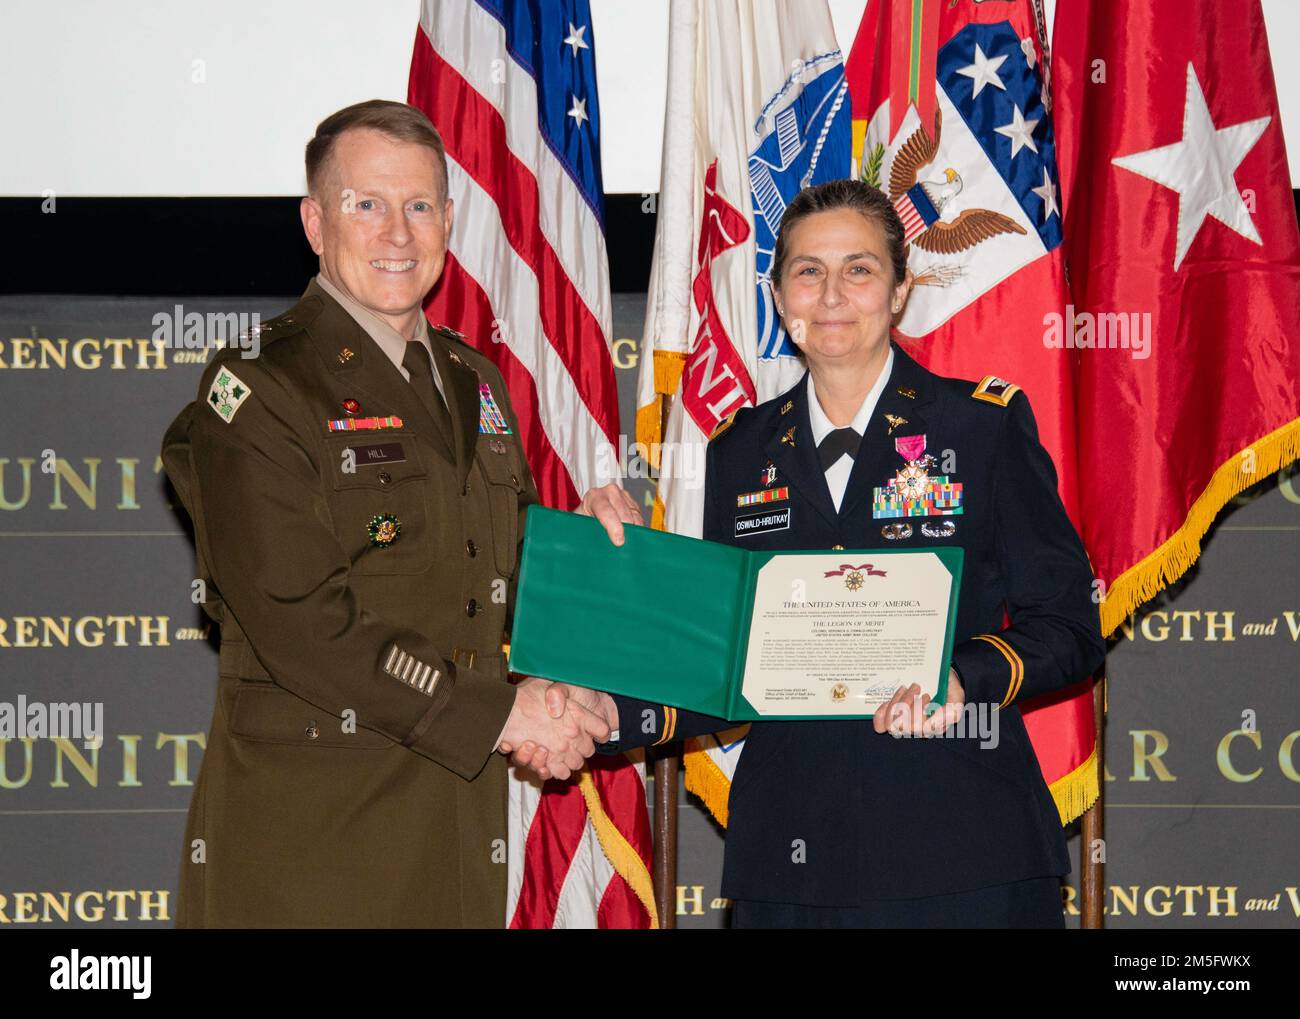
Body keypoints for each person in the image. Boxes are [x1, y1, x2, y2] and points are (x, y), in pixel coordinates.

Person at [512, 178, 1106, 928]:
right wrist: (604, 711)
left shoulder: (979, 426)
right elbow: (727, 662)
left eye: (859, 269)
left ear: (898, 291)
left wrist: (962, 677)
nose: (831, 294)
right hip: (790, 865)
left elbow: (1071, 625)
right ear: (779, 293)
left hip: (964, 853)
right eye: (807, 271)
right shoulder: (739, 450)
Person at [161, 100, 636, 927]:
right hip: (314, 850)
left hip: (454, 838)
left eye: (419, 206)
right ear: (315, 222)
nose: (397, 233)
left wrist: (584, 558)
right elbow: (304, 621)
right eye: (366, 205)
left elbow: (503, 577)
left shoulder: (474, 382)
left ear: (449, 222)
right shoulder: (260, 389)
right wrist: (505, 713)